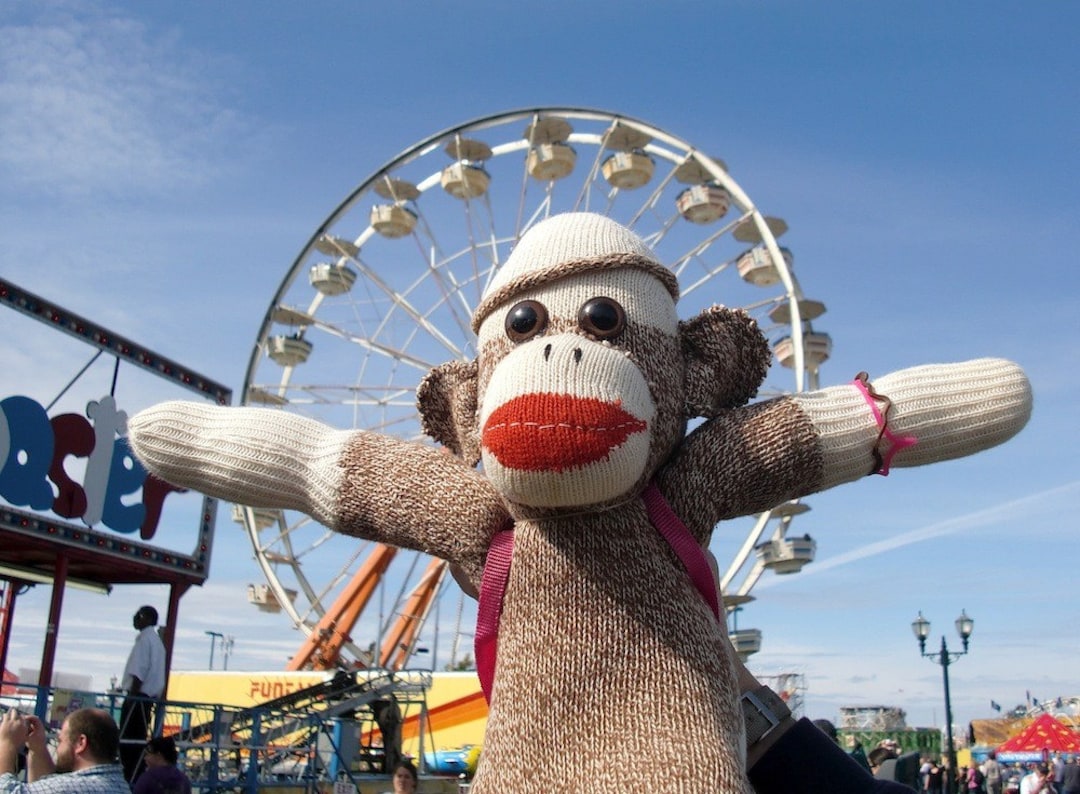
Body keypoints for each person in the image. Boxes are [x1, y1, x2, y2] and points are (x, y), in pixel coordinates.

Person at [0, 707, 129, 793]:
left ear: (80, 743)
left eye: (61, 741)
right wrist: (37, 747)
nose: (58, 748)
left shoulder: (81, 786)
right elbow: (47, 786)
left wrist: (6, 742)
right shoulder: (117, 784)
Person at [120, 605, 167, 783]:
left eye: (138, 615)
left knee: (128, 742)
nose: (135, 618)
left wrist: (132, 698)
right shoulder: (157, 642)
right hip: (148, 699)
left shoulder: (145, 640)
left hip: (138, 698)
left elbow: (138, 672)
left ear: (146, 618)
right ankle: (136, 777)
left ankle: (129, 779)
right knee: (139, 741)